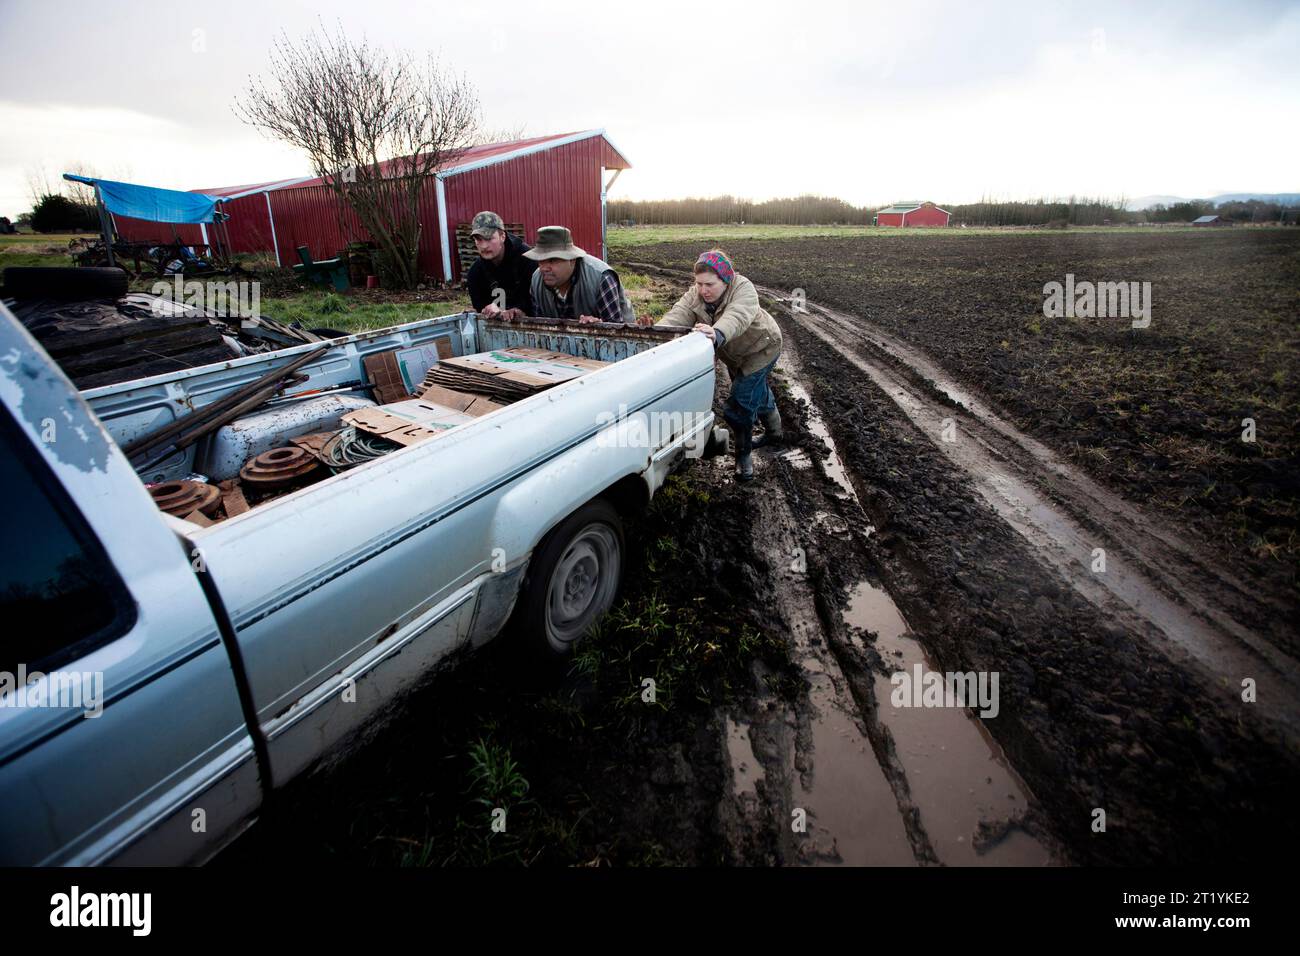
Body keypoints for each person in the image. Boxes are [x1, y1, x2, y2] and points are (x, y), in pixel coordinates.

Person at [655, 249, 783, 481]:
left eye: (710, 284)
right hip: (735, 355)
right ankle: (775, 434)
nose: (703, 290)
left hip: (762, 348)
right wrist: (655, 335)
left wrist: (717, 332)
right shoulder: (696, 295)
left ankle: (743, 458)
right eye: (699, 284)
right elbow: (676, 316)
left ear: (726, 281)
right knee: (755, 392)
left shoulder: (743, 288)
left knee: (741, 403)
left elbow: (738, 315)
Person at [524, 225, 637, 325]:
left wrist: (599, 326)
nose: (544, 268)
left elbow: (616, 334)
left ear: (572, 259)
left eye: (552, 260)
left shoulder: (601, 278)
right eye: (540, 260)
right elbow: (539, 327)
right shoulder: (536, 279)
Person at [465, 211, 536, 319]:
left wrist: (517, 311)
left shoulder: (527, 260)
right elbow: (480, 309)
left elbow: (538, 303)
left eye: (489, 238)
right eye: (479, 239)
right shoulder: (475, 273)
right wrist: (486, 311)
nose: (484, 246)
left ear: (502, 236)